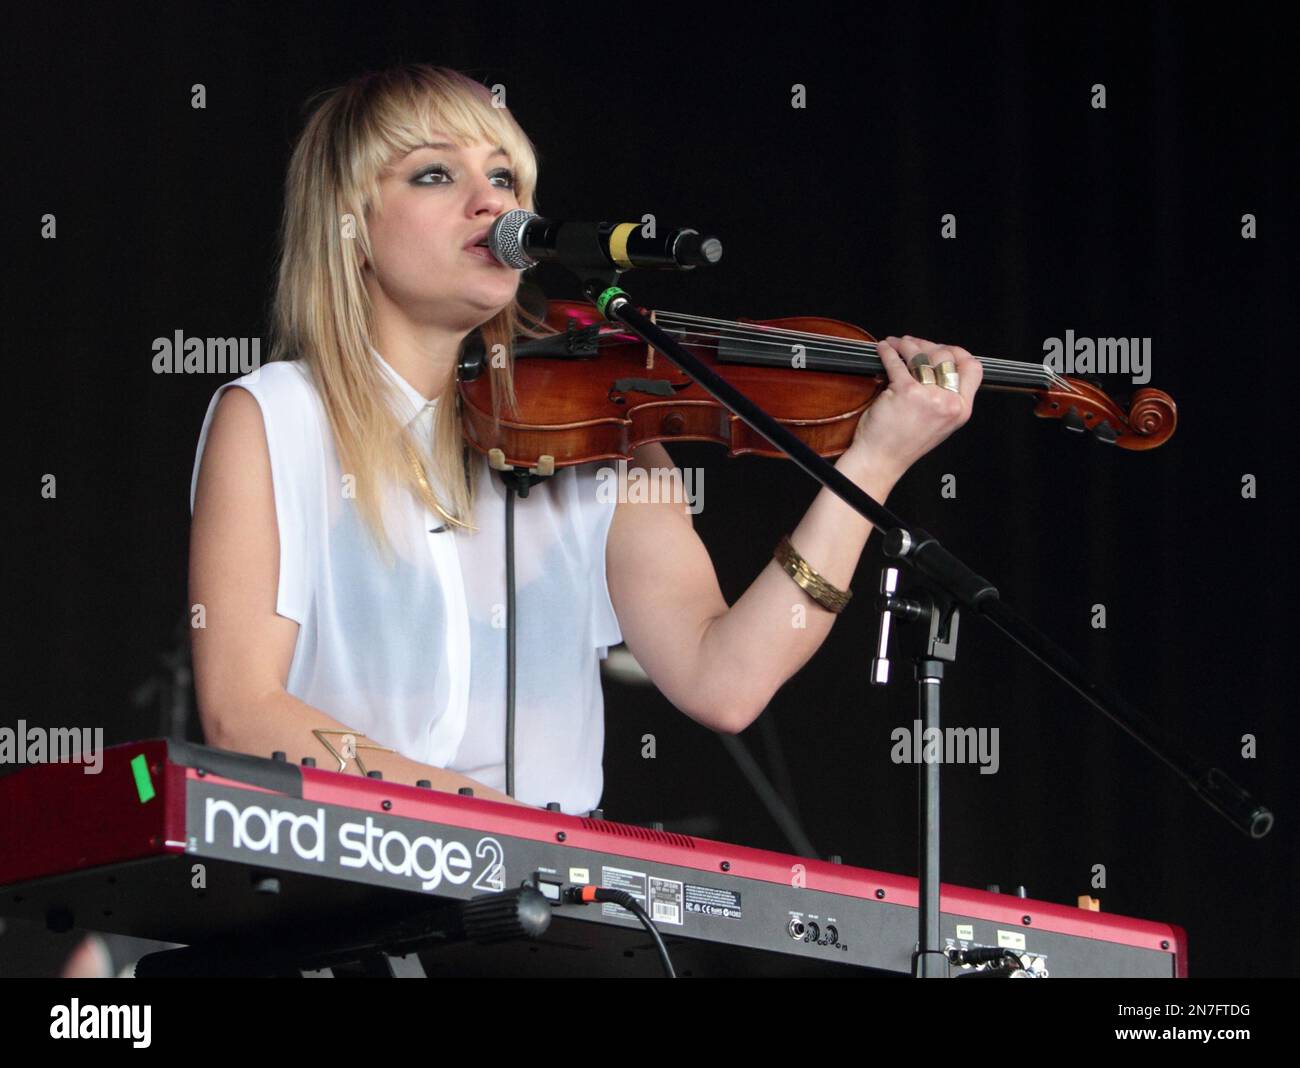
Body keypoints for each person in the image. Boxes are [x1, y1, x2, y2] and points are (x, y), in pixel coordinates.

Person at [188, 63, 981, 815]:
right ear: (349, 224)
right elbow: (242, 712)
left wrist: (874, 462)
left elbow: (726, 683)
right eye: (435, 173)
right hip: (344, 887)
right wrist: (485, 821)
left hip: (544, 914)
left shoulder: (602, 429)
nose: (489, 203)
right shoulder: (275, 417)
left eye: (504, 178)